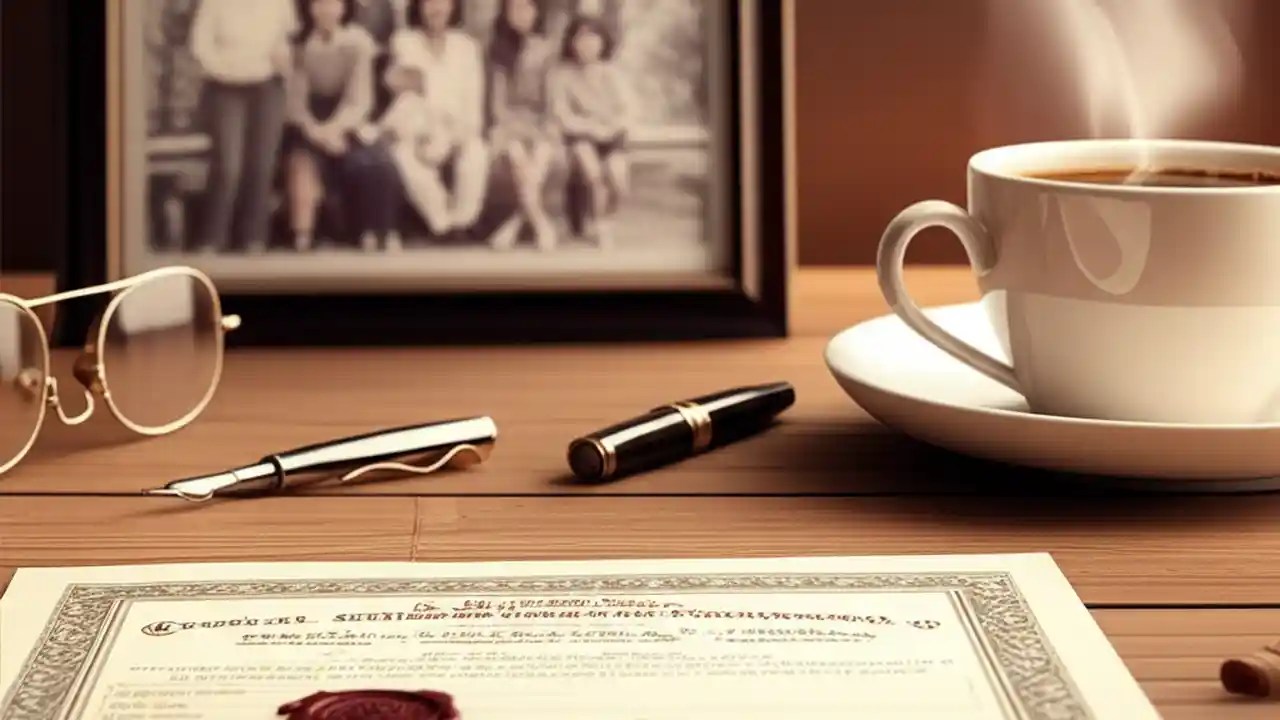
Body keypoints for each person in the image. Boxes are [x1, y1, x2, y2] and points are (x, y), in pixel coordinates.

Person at [190, 0, 298, 253]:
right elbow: (199, 47)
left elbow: (284, 41)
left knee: (261, 164)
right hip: (224, 87)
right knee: (229, 165)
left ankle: (253, 238)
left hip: (267, 88)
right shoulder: (213, 4)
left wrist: (283, 59)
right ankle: (212, 238)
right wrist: (228, 69)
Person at [382, 0, 489, 240]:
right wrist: (425, 131)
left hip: (457, 126)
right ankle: (441, 224)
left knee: (476, 153)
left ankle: (463, 222)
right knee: (403, 156)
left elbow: (473, 98)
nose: (436, 8)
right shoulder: (405, 41)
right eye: (429, 2)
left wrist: (458, 133)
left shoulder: (467, 47)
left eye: (443, 2)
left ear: (453, 6)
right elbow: (406, 90)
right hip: (418, 127)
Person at [282, 0, 379, 251]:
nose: (326, 10)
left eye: (333, 3)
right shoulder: (298, 45)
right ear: (309, 8)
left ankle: (368, 233)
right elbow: (295, 102)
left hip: (346, 123)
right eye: (319, 4)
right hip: (307, 125)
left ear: (344, 7)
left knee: (368, 162)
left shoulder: (358, 43)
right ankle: (303, 235)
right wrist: (315, 132)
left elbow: (359, 100)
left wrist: (334, 130)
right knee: (301, 161)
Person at [547, 14, 632, 247]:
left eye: (593, 37)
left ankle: (608, 219)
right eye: (581, 38)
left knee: (618, 179)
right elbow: (561, 113)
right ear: (571, 43)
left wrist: (611, 128)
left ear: (603, 41)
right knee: (593, 173)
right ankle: (600, 227)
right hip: (580, 135)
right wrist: (592, 127)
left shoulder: (612, 73)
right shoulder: (562, 74)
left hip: (611, 135)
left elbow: (626, 110)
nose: (587, 44)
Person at [485, 0, 558, 251]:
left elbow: (551, 101)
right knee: (518, 157)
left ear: (537, 12)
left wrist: (544, 128)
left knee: (541, 155)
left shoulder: (547, 50)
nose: (521, 14)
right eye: (514, 9)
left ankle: (515, 223)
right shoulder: (499, 49)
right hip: (508, 125)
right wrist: (512, 130)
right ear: (505, 14)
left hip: (540, 123)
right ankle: (540, 224)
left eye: (527, 7)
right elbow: (498, 105)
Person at [356, 67, 458, 238]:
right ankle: (440, 224)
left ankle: (442, 224)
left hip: (422, 149)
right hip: (406, 150)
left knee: (418, 175)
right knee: (411, 169)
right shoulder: (401, 104)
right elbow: (386, 129)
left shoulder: (415, 103)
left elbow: (431, 132)